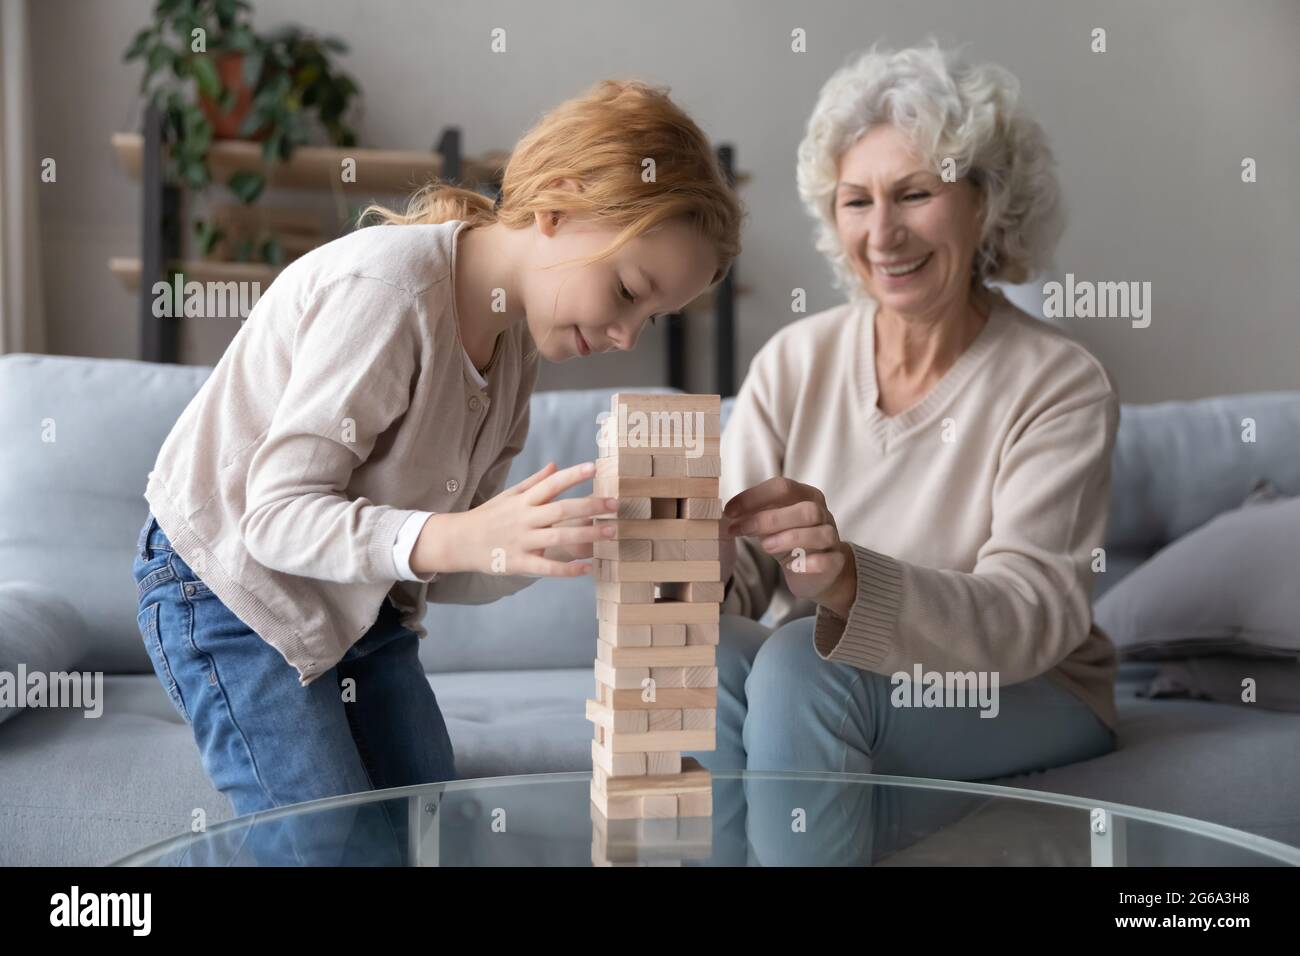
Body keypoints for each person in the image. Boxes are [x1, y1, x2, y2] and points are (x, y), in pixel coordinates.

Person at [131, 78, 742, 862]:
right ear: (556, 207)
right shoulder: (389, 291)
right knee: (320, 835)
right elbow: (274, 518)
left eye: (650, 317)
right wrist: (462, 537)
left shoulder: (517, 353)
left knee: (424, 824)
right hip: (226, 586)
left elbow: (445, 562)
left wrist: (553, 541)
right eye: (627, 290)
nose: (629, 334)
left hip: (359, 604)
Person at [689, 42, 1118, 856]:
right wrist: (692, 554)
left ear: (985, 203)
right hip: (828, 684)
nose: (882, 234)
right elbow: (736, 583)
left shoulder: (1060, 382)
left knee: (799, 664)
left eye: (914, 194)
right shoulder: (793, 360)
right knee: (702, 650)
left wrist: (851, 580)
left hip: (1025, 684)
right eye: (856, 201)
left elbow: (1034, 613)